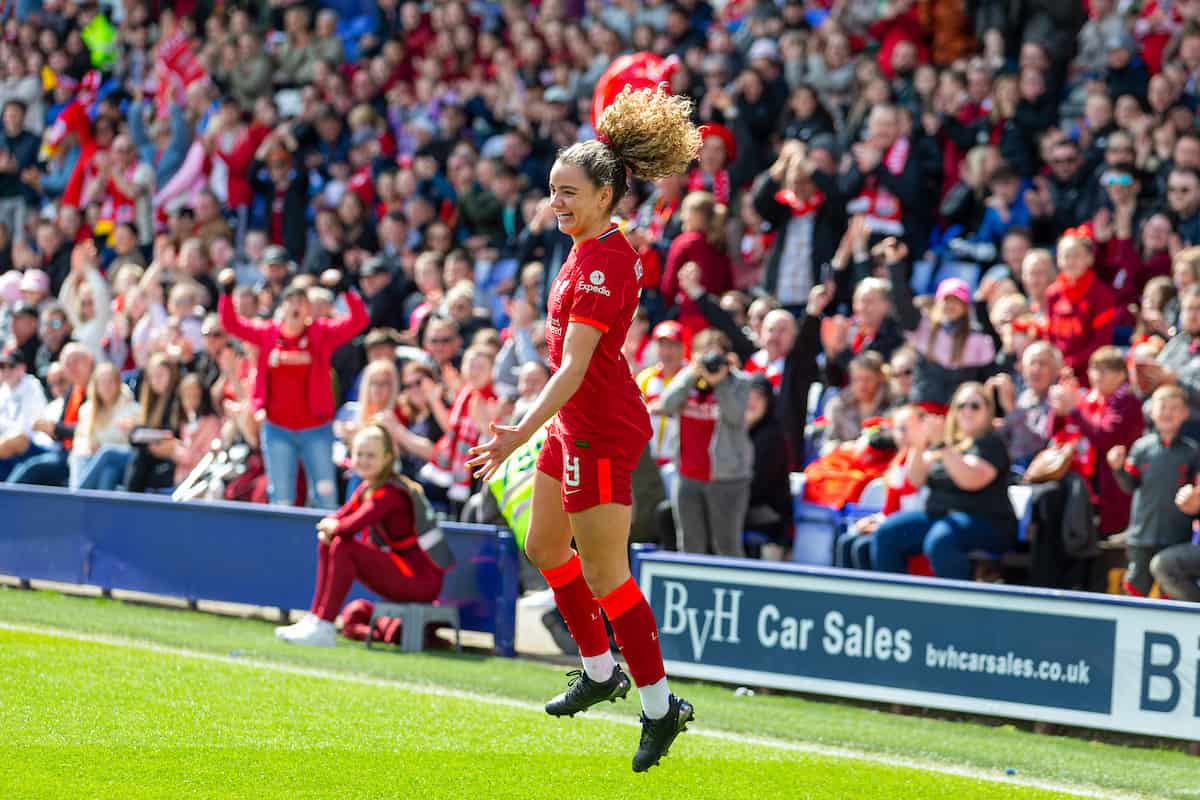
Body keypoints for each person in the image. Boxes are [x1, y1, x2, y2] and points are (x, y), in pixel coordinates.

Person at [466, 86, 698, 772]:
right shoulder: (590, 244)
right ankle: (600, 671)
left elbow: (571, 370)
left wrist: (516, 432)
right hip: (575, 422)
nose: (556, 202)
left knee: (606, 574)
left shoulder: (600, 266)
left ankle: (661, 707)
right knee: (544, 545)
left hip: (597, 427)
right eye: (551, 191)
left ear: (605, 194)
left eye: (569, 191)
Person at [276, 425, 445, 646]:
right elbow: (339, 517)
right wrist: (330, 527)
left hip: (420, 580)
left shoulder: (390, 491)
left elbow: (348, 526)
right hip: (404, 569)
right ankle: (316, 619)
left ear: (387, 457)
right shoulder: (368, 487)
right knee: (329, 542)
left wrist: (332, 526)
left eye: (371, 455)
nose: (363, 460)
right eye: (359, 454)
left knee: (343, 545)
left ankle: (325, 626)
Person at [217, 267, 368, 508]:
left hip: (316, 428)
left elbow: (359, 321)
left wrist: (344, 289)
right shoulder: (267, 334)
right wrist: (227, 291)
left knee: (325, 494)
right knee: (281, 497)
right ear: (282, 308)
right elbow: (231, 324)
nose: (296, 306)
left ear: (309, 310)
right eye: (291, 301)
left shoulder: (322, 333)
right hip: (278, 429)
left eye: (302, 301)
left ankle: (327, 544)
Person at [870, 382, 1017, 580]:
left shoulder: (991, 443)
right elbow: (915, 479)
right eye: (961, 405)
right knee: (888, 534)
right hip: (943, 518)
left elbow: (971, 479)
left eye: (975, 406)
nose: (967, 411)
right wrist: (920, 443)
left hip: (987, 522)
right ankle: (897, 604)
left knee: (940, 540)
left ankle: (954, 606)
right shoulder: (951, 444)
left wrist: (941, 445)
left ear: (988, 411)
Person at [658, 329, 753, 557]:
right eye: (705, 355)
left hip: (726, 479)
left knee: (726, 546)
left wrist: (719, 382)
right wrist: (692, 373)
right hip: (688, 476)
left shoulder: (740, 382)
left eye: (716, 356)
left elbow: (735, 416)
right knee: (690, 545)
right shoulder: (688, 378)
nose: (710, 362)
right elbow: (667, 404)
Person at [1108, 386, 1200, 597]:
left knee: (1169, 587)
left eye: (1174, 408)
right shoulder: (1141, 448)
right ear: (1151, 410)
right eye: (1163, 407)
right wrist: (1118, 469)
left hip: (1176, 533)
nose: (1168, 412)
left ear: (1185, 413)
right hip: (1142, 533)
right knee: (1135, 587)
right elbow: (1129, 485)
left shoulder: (1192, 451)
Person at [68, 362, 139, 489]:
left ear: (118, 384)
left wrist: (131, 429)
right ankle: (95, 507)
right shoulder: (87, 410)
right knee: (107, 471)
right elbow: (80, 439)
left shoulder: (132, 408)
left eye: (111, 382)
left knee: (107, 452)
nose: (107, 387)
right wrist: (88, 447)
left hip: (124, 456)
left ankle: (76, 496)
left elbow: (134, 441)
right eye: (103, 382)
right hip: (97, 460)